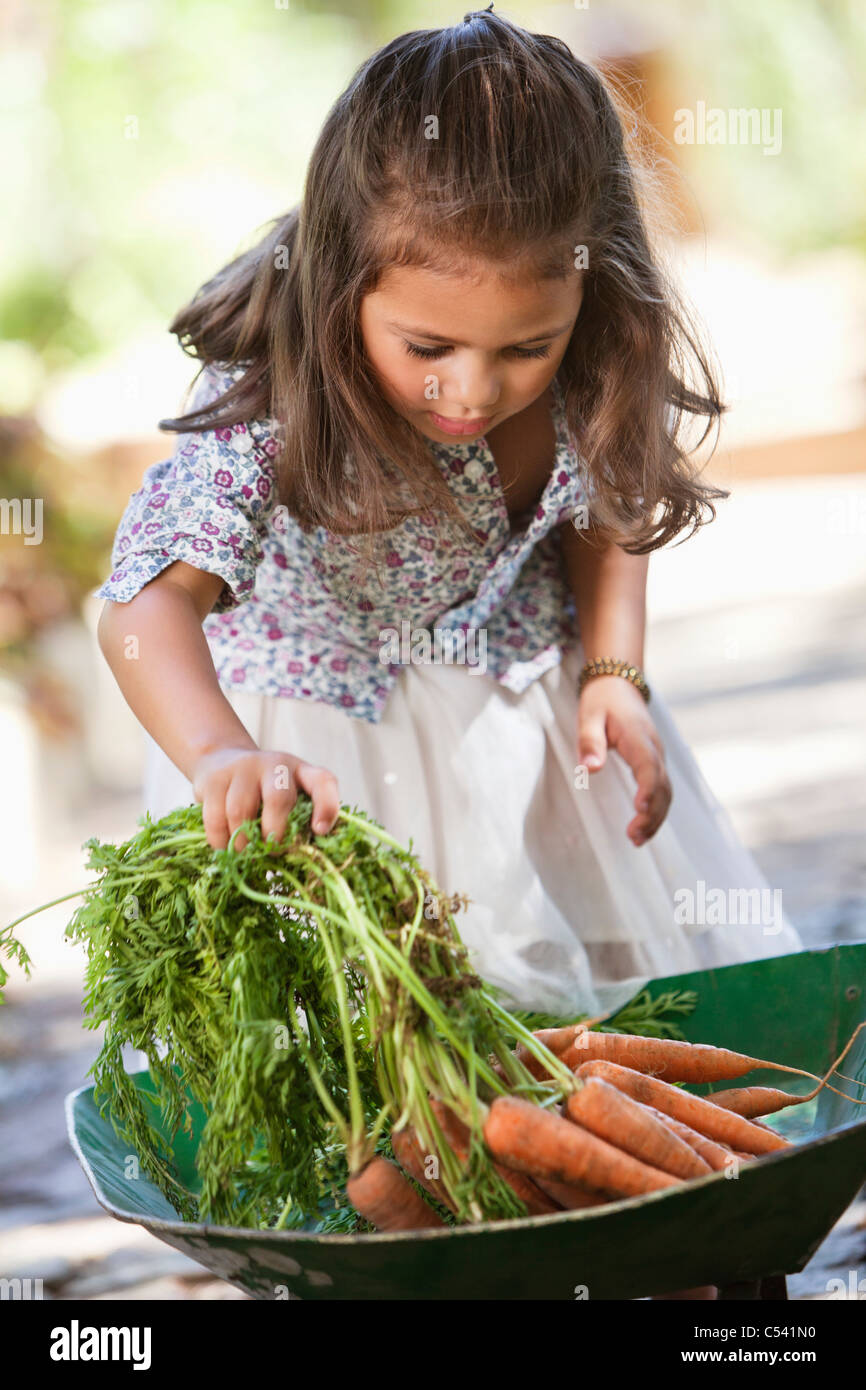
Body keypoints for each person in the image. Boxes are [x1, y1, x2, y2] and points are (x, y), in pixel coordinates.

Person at [95, 8, 802, 1023]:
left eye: (525, 347)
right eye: (427, 347)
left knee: (596, 1001)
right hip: (321, 746)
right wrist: (218, 752)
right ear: (342, 285)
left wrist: (613, 671)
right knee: (369, 1036)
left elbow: (605, 504)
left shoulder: (597, 350)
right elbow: (139, 610)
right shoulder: (277, 403)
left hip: (529, 711)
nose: (472, 390)